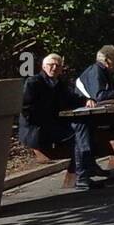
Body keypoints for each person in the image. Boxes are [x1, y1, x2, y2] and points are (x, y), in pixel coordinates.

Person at [18, 53, 104, 190]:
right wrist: (47, 120)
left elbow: (72, 98)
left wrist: (87, 100)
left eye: (57, 66)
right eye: (51, 65)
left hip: (54, 126)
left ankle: (85, 173)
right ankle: (84, 174)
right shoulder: (33, 83)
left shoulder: (59, 83)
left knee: (84, 126)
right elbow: (26, 109)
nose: (54, 68)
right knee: (79, 135)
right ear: (44, 66)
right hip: (38, 130)